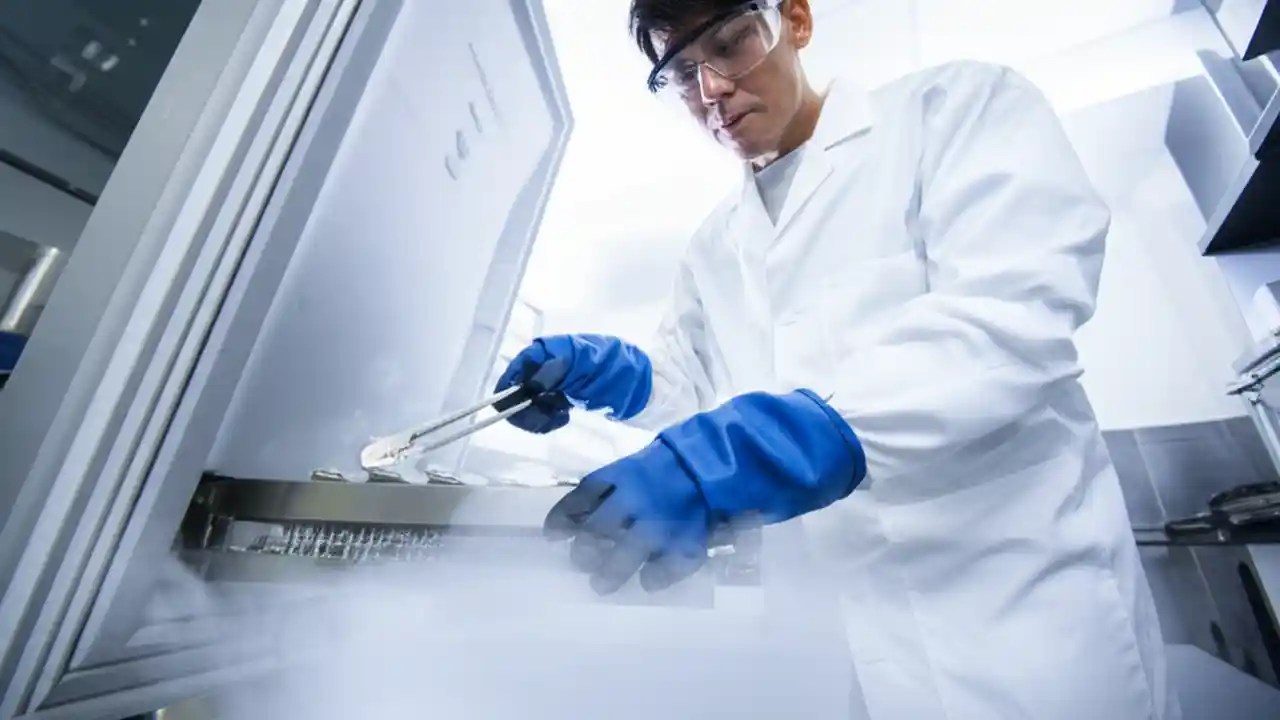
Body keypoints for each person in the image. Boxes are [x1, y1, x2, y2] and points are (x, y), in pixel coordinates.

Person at [495, 1, 1176, 717]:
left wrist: (782, 442)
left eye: (730, 45)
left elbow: (1010, 317)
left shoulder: (954, 111)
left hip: (1019, 617)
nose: (712, 91)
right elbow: (693, 389)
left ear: (795, 20)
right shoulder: (714, 246)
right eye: (683, 75)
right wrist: (609, 375)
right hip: (855, 641)